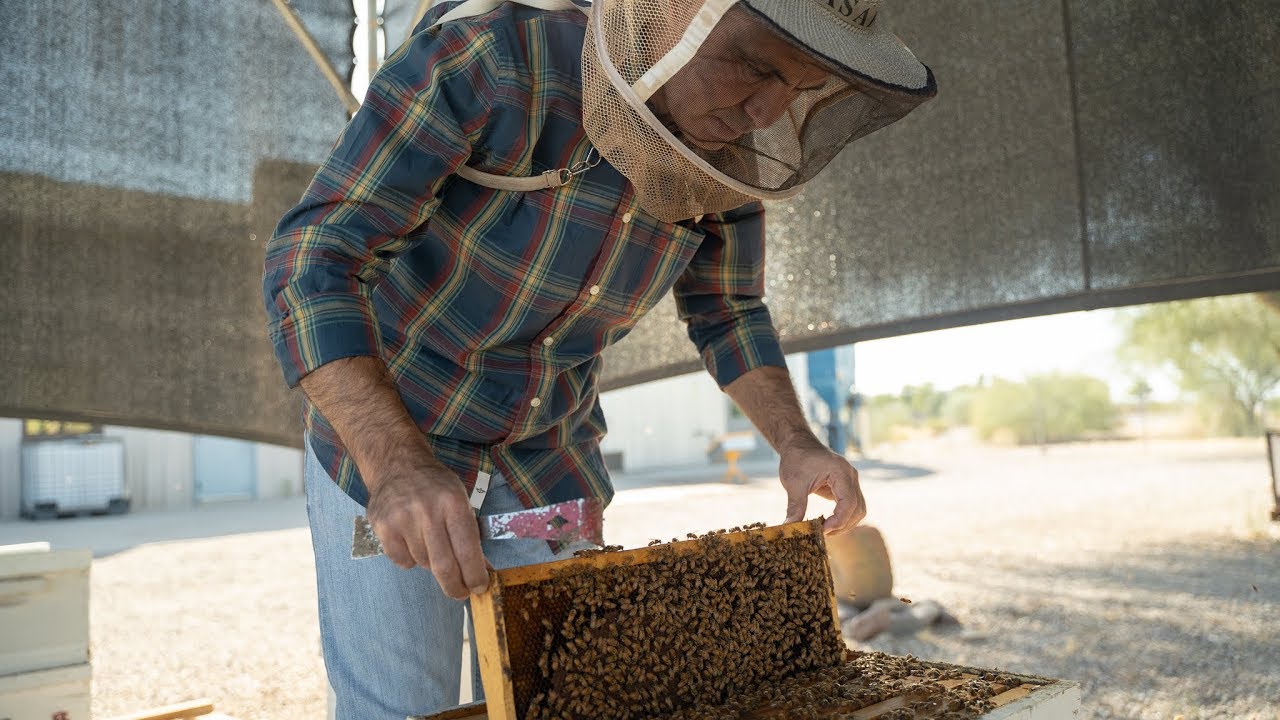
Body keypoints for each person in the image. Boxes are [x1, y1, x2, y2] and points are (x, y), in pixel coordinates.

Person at [262, 0, 935, 716]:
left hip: (548, 463)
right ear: (673, 15)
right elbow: (315, 259)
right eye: (756, 65)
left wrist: (796, 442)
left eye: (794, 90)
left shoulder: (725, 165)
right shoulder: (490, 63)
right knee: (397, 708)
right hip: (388, 447)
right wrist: (395, 466)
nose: (763, 111)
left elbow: (728, 310)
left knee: (557, 702)